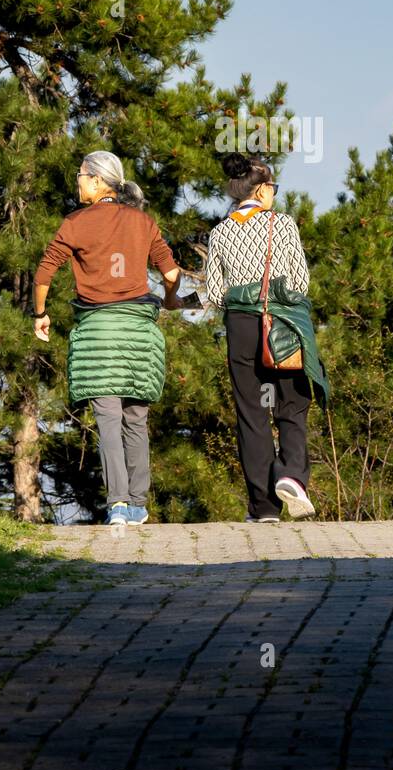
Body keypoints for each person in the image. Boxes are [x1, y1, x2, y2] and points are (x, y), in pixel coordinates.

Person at [32, 150, 182, 526]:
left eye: (81, 175)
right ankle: (138, 505)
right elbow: (171, 272)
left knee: (108, 420)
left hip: (98, 332)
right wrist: (169, 299)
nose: (77, 181)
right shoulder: (142, 222)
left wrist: (41, 315)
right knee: (136, 418)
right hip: (138, 332)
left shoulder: (76, 223)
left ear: (98, 181)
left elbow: (44, 274)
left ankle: (116, 504)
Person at [205, 151, 328, 523]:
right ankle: (291, 474)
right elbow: (300, 280)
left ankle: (263, 506)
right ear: (260, 190)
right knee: (291, 403)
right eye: (273, 186)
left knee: (251, 413)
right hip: (283, 322)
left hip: (241, 327)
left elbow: (213, 292)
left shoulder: (220, 231)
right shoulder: (283, 224)